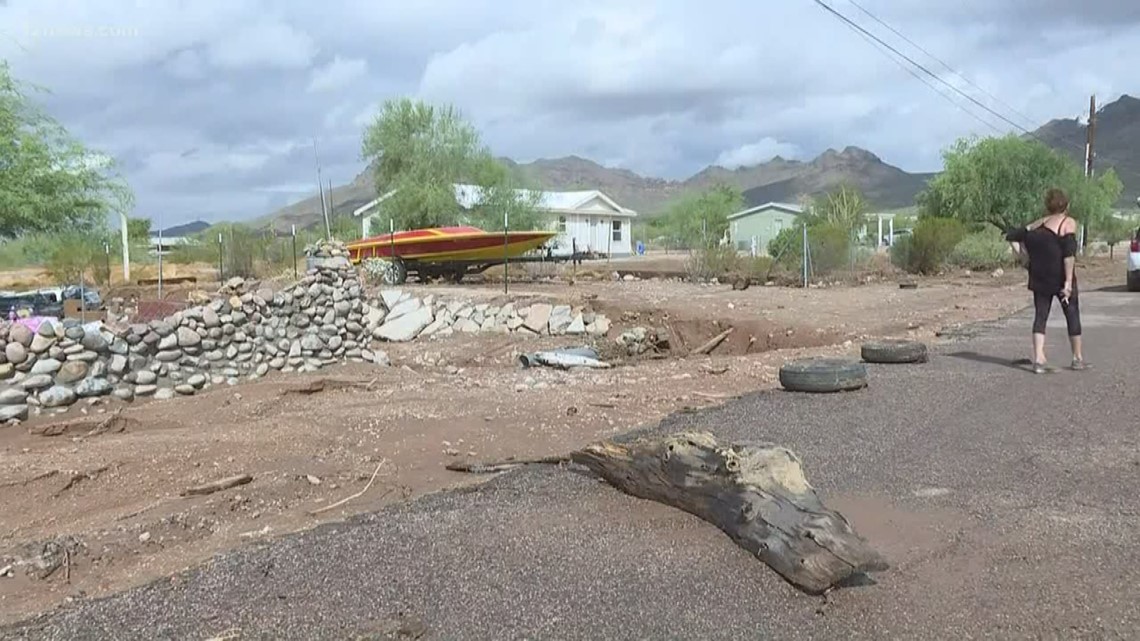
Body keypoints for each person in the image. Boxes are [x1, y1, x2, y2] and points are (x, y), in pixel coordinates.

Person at [1005, 188, 1085, 373]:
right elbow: (1069, 255)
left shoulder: (1036, 225)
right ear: (1067, 206)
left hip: (1039, 276)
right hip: (1059, 277)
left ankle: (1039, 359)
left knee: (1041, 316)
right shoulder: (1067, 223)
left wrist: (1025, 259)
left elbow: (1011, 236)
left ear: (1047, 206)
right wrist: (1067, 283)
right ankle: (1077, 358)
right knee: (1072, 313)